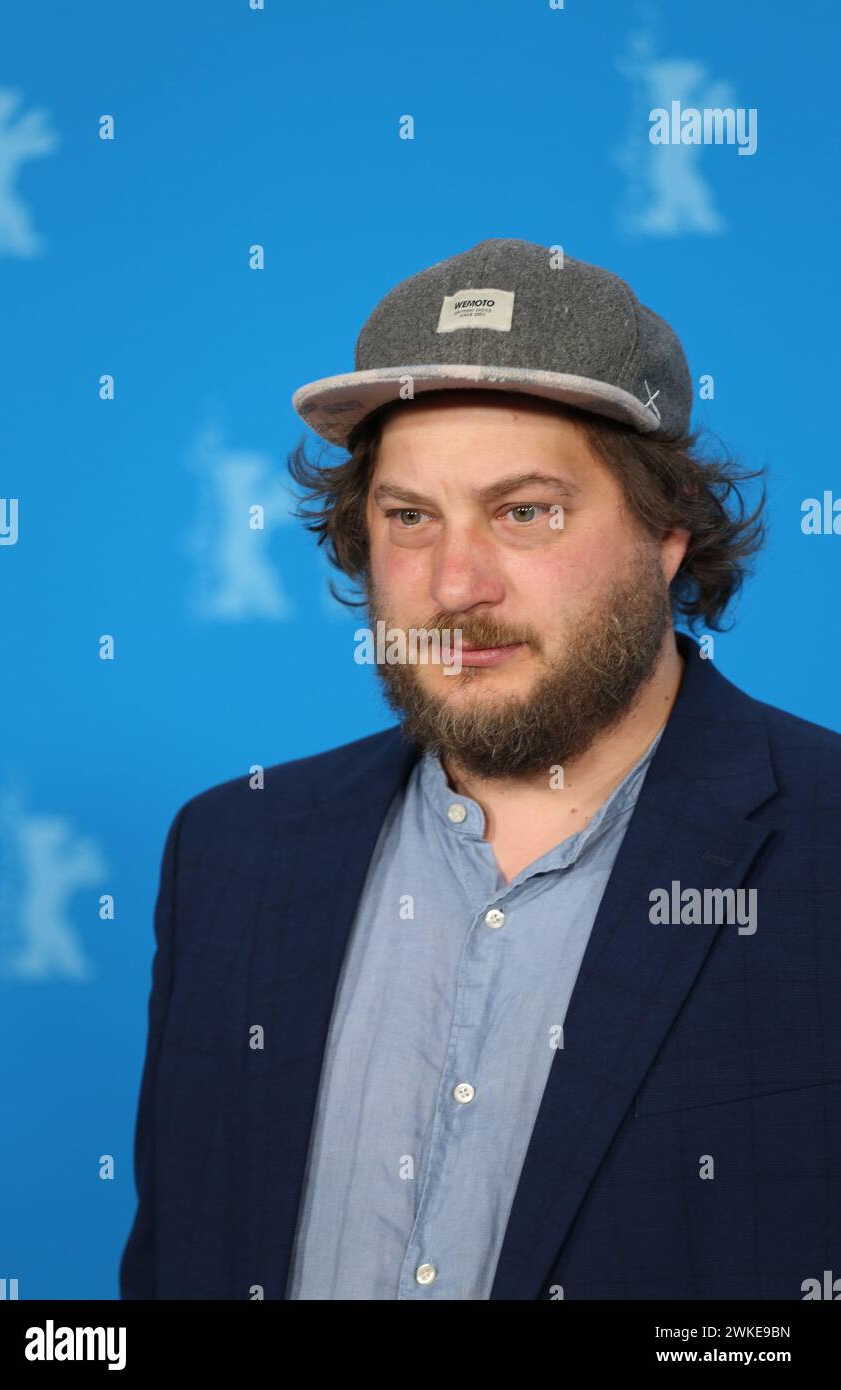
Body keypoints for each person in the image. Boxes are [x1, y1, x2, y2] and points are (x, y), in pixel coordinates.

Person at [120, 238, 841, 1300]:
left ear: (666, 531)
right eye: (409, 517)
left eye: (524, 512)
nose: (454, 584)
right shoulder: (230, 854)